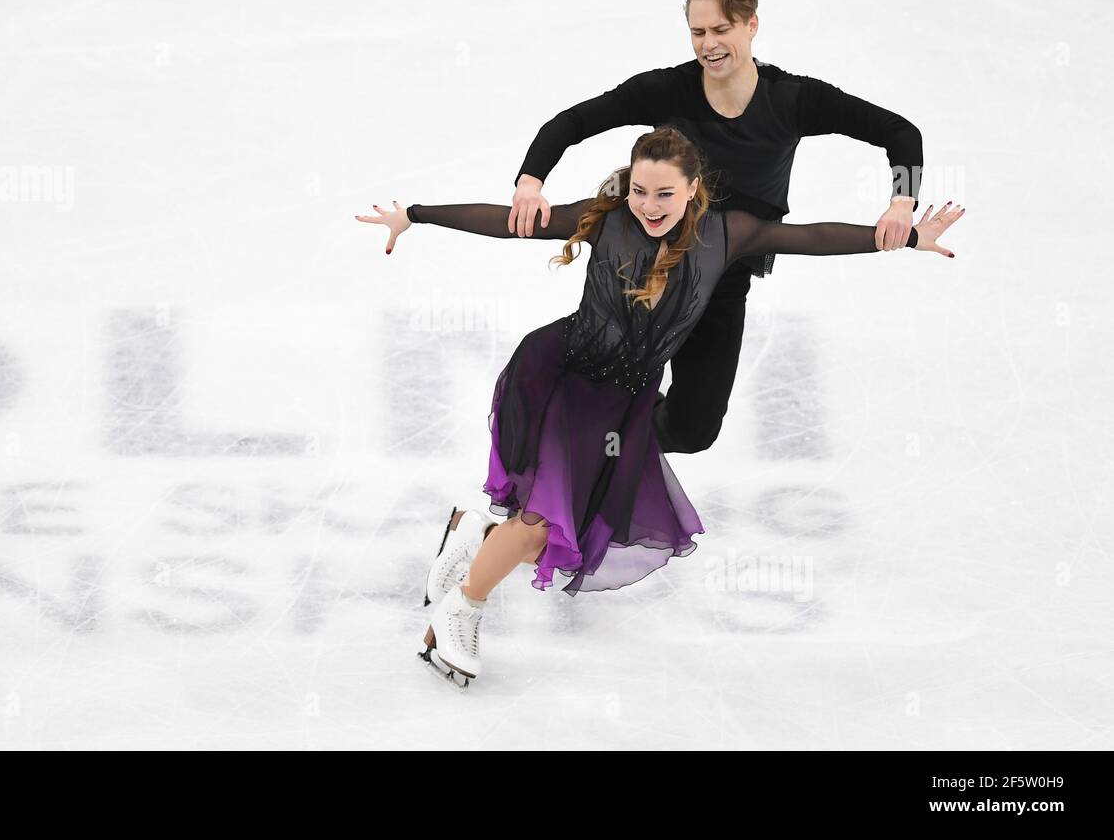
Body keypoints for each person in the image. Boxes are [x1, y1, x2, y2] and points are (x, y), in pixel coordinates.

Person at [356, 127, 962, 687]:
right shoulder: (604, 219)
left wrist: (906, 236)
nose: (649, 205)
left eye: (664, 193)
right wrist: (415, 215)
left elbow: (813, 238)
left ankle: (475, 532)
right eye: (640, 189)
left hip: (623, 406)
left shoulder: (729, 234)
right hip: (560, 379)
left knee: (548, 523)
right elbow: (507, 221)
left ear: (694, 188)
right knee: (542, 524)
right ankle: (462, 608)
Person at [508, 0, 924, 456]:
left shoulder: (791, 100)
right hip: (645, 269)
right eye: (698, 32)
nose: (709, 44)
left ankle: (604, 460)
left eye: (721, 29)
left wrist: (902, 200)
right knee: (597, 407)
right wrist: (530, 181)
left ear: (751, 25)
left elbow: (899, 132)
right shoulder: (669, 90)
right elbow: (574, 120)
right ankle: (533, 513)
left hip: (723, 277)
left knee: (692, 430)